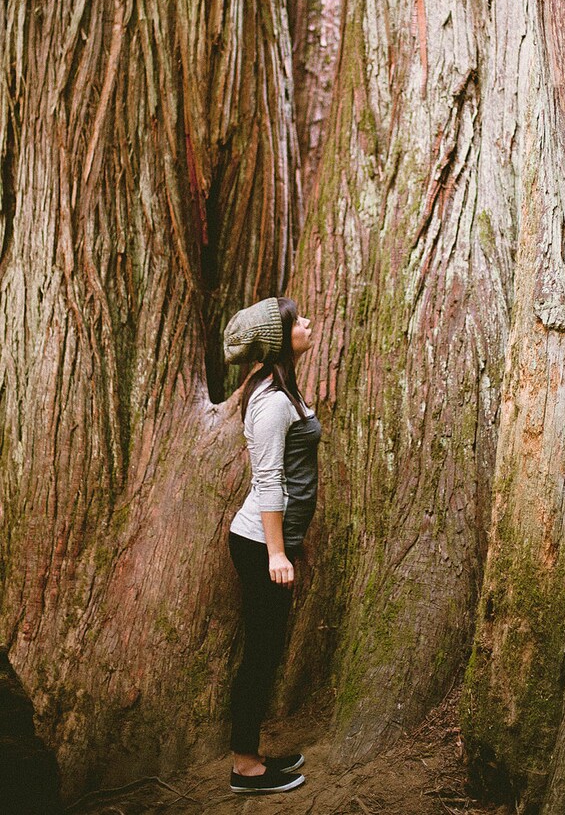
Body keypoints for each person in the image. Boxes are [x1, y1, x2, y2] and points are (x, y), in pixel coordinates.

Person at [223, 295, 321, 795]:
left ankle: (252, 754)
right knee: (259, 656)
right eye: (295, 319)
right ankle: (245, 767)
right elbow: (268, 480)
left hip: (272, 541)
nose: (307, 322)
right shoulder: (273, 402)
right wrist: (277, 552)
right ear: (280, 339)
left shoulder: (281, 389)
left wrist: (289, 544)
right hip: (259, 543)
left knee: (266, 651)